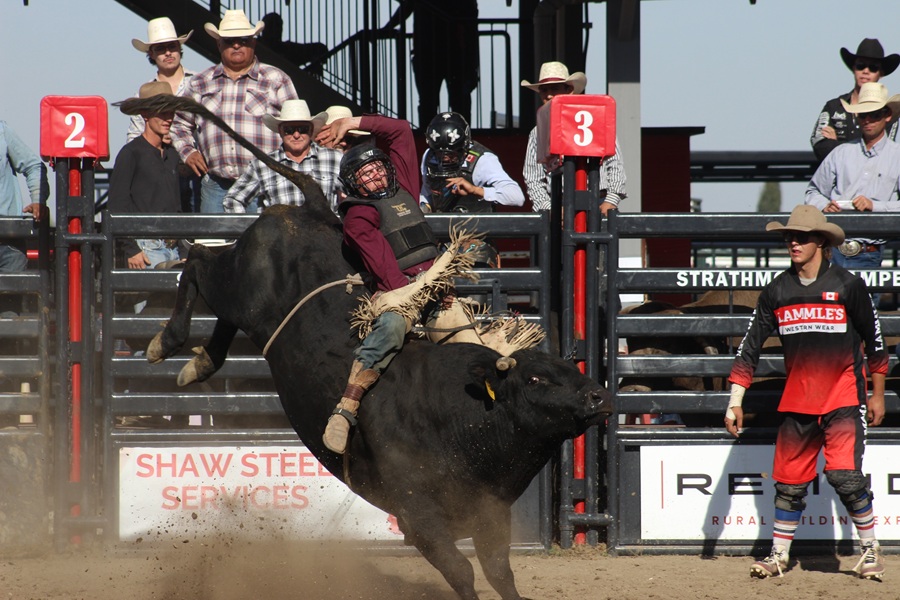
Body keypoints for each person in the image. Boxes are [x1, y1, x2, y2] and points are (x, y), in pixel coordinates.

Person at [725, 205, 886, 581]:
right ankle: (778, 556)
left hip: (843, 397)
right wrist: (735, 401)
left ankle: (870, 550)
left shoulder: (848, 285)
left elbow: (874, 341)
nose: (793, 242)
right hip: (797, 400)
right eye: (788, 237)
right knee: (788, 484)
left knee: (846, 478)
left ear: (821, 242)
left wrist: (876, 394)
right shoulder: (776, 290)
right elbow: (749, 348)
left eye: (801, 237)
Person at [323, 145, 439, 454]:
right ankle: (346, 408)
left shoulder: (403, 193)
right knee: (390, 327)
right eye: (366, 173)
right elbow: (385, 268)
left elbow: (400, 134)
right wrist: (411, 293)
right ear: (355, 183)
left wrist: (356, 122)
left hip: (434, 285)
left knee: (464, 326)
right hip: (399, 291)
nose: (376, 175)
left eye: (378, 168)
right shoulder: (358, 215)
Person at [169, 9, 298, 214]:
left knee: (267, 236)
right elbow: (179, 124)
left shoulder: (276, 79)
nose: (236, 45)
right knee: (213, 236)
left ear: (253, 42)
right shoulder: (200, 82)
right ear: (219, 44)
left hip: (265, 185)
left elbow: (297, 124)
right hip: (216, 185)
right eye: (229, 41)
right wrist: (188, 152)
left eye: (243, 40)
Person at [804, 82, 900, 283]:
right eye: (863, 115)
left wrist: (874, 205)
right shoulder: (841, 153)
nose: (868, 120)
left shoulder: (896, 156)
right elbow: (813, 192)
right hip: (833, 250)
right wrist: (824, 205)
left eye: (874, 114)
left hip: (868, 251)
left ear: (887, 116)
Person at [521, 61, 626, 214]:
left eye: (554, 88)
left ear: (569, 90)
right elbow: (533, 177)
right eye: (544, 90)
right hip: (557, 203)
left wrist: (611, 200)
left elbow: (615, 162)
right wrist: (551, 210)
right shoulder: (537, 132)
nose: (549, 95)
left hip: (599, 201)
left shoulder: (596, 119)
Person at [128, 16, 200, 213]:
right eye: (161, 48)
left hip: (200, 172)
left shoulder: (201, 84)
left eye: (172, 46)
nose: (168, 53)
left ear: (179, 48)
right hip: (162, 175)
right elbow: (135, 139)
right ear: (151, 53)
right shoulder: (144, 94)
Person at [109, 82, 183, 270]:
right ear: (145, 114)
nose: (168, 118)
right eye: (162, 112)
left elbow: (176, 205)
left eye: (171, 112)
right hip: (145, 247)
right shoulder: (131, 153)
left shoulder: (172, 155)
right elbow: (117, 205)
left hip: (172, 246)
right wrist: (131, 249)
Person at [223, 99, 342, 214]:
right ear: (280, 131)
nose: (296, 135)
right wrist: (250, 227)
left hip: (322, 228)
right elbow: (233, 200)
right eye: (289, 130)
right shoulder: (262, 164)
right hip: (279, 228)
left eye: (303, 129)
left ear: (311, 131)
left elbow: (352, 194)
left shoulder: (334, 159)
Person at [384, 0, 479, 127]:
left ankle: (432, 134)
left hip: (437, 53)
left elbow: (407, 6)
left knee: (437, 102)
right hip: (449, 53)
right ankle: (457, 134)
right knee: (454, 101)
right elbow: (471, 23)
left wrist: (388, 27)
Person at [810, 38, 900, 163]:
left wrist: (838, 145)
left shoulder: (888, 111)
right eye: (860, 66)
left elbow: (882, 151)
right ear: (853, 68)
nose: (866, 71)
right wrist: (859, 152)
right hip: (836, 175)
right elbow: (819, 143)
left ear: (881, 73)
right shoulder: (834, 106)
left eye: (873, 67)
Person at [419, 111, 524, 213]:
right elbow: (426, 191)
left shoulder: (484, 160)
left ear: (464, 148)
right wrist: (424, 207)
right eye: (439, 153)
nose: (445, 159)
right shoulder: (429, 156)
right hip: (440, 222)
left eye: (451, 155)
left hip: (479, 223)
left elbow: (517, 197)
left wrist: (475, 190)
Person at [317, 108, 420, 196]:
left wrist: (351, 122)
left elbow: (401, 129)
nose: (343, 143)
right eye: (336, 137)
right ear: (321, 138)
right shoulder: (311, 169)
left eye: (348, 139)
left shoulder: (399, 194)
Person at [0, 121, 47, 273]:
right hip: (9, 243)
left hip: (8, 240)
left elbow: (33, 166)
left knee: (13, 288)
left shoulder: (2, 131)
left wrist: (38, 199)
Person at [260, 13, 328, 76]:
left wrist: (316, 60)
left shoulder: (287, 49)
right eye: (272, 26)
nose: (276, 30)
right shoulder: (257, 48)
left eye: (278, 26)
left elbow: (320, 48)